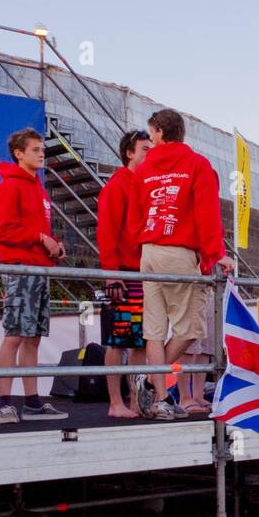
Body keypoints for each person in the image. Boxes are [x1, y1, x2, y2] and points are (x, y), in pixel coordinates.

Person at [132, 109, 235, 420]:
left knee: (154, 329)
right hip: (178, 251)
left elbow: (136, 211)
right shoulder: (197, 165)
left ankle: (160, 395)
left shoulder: (144, 169)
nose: (150, 140)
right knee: (191, 328)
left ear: (161, 133)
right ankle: (152, 382)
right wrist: (217, 254)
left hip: (149, 250)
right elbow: (207, 215)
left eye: (151, 134)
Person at [0, 127, 69, 423]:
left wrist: (51, 244)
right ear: (19, 154)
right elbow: (2, 230)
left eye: (42, 150)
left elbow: (35, 231)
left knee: (33, 336)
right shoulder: (11, 185)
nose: (41, 154)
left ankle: (33, 401)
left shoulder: (35, 185)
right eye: (35, 150)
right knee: (14, 335)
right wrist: (40, 238)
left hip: (38, 267)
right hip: (21, 268)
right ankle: (4, 403)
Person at [96, 129, 152, 418]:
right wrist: (111, 274)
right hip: (123, 275)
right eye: (144, 149)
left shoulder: (145, 186)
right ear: (130, 152)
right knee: (117, 340)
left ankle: (134, 401)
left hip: (143, 275)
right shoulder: (117, 185)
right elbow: (106, 231)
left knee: (139, 342)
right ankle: (115, 403)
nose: (149, 153)